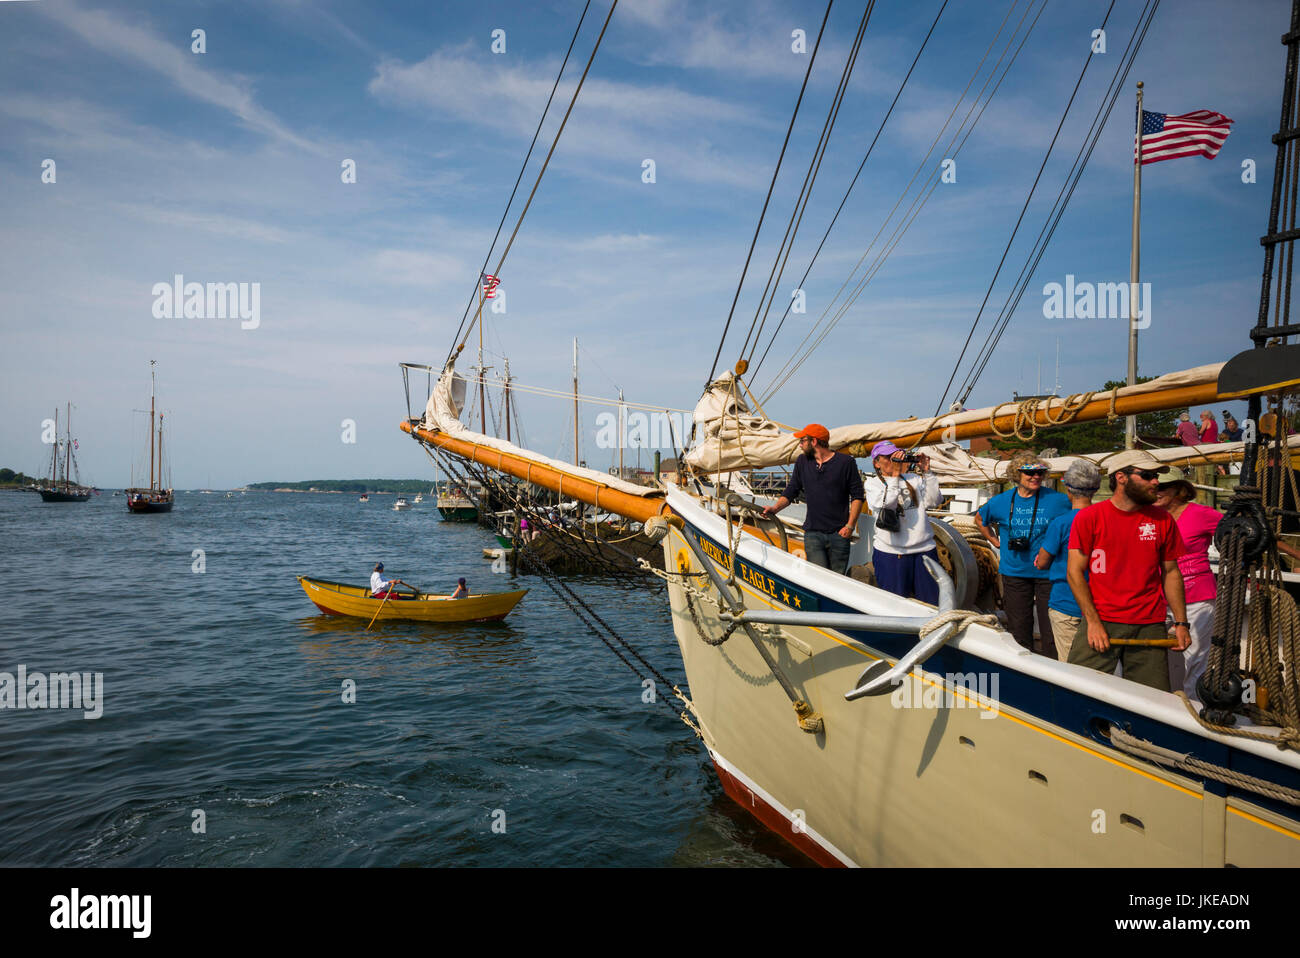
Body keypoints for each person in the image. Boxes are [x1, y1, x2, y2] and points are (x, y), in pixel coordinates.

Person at [1066, 462, 1191, 691]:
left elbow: (1171, 572)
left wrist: (1182, 623)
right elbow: (1074, 572)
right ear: (1121, 477)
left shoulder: (1163, 520)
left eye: (1156, 476)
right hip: (1101, 619)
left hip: (1149, 623)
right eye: (1147, 476)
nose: (1156, 482)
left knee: (1153, 701)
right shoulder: (1089, 517)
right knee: (1077, 689)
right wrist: (1093, 622)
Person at [975, 451, 1070, 655]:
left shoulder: (1058, 500)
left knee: (1051, 630)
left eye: (1040, 473)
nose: (1036, 477)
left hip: (1048, 574)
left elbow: (1078, 518)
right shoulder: (1000, 501)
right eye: (1030, 473)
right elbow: (980, 519)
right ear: (1016, 475)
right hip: (1015, 573)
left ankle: (1053, 672)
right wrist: (993, 540)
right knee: (1019, 630)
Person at [763, 424, 865, 575]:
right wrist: (775, 508)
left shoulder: (845, 463)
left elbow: (857, 496)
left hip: (839, 533)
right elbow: (792, 490)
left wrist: (850, 526)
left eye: (803, 441)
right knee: (818, 577)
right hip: (813, 534)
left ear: (814, 442)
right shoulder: (802, 462)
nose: (800, 444)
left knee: (837, 579)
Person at [1154, 478, 1222, 701]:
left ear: (1179, 489)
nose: (1156, 491)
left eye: (1162, 487)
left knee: (1194, 659)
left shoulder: (1201, 514)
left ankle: (1192, 708)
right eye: (1154, 486)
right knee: (1160, 658)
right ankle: (1168, 704)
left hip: (1196, 598)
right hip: (1158, 598)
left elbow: (1244, 530)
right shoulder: (1150, 515)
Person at [1033, 460, 1102, 661]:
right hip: (1100, 605)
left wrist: (1040, 559)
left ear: (1068, 490)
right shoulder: (1106, 519)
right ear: (1096, 489)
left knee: (1071, 665)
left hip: (1066, 604)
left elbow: (1042, 562)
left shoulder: (1061, 523)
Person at [865, 441, 942, 602]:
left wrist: (927, 472)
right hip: (892, 553)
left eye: (896, 456)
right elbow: (888, 505)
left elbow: (934, 501)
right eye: (888, 457)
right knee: (894, 604)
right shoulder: (872, 484)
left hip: (924, 550)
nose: (893, 460)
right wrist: (894, 477)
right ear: (876, 463)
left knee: (931, 603)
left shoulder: (913, 479)